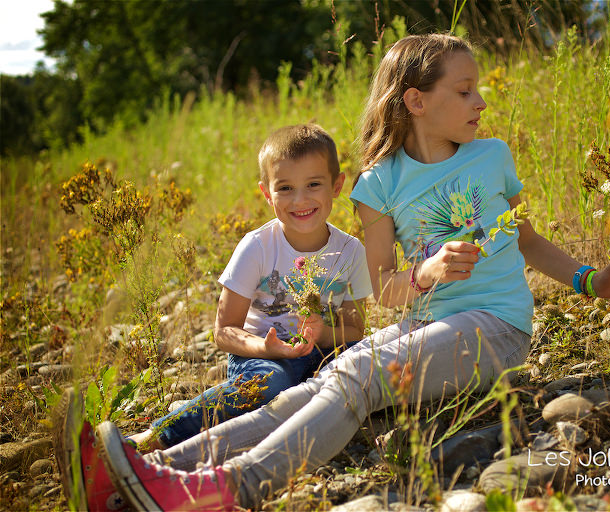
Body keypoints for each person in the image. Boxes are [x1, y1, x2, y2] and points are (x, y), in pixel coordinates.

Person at [69, 34, 610, 511]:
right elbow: (384, 289)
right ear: (416, 100)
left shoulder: (492, 156)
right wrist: (425, 272)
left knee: (357, 373)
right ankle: (153, 473)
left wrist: (593, 281)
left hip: (497, 328)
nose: (480, 102)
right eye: (465, 90)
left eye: (477, 89)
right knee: (321, 383)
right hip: (430, 327)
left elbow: (524, 237)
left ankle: (224, 491)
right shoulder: (380, 183)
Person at [51, 123, 372, 511]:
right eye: (285, 187)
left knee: (359, 366)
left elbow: (356, 329)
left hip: (320, 354)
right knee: (271, 384)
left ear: (337, 185)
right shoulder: (257, 247)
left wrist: (323, 335)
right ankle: (144, 443)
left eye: (314, 185)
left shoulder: (350, 250)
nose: (300, 199)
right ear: (266, 193)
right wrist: (264, 346)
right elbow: (223, 331)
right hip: (263, 356)